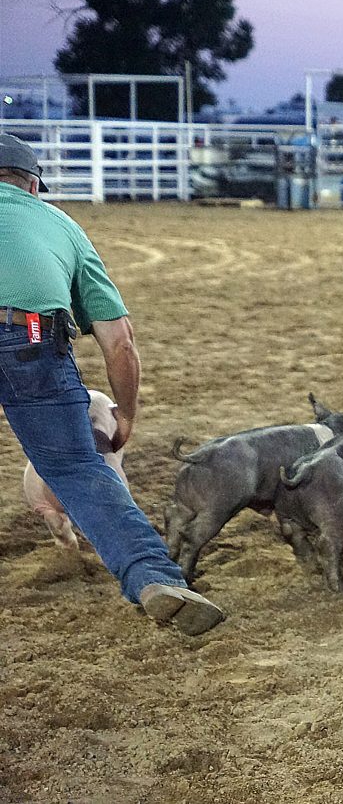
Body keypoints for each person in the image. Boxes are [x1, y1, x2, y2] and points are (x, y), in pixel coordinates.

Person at [0, 133, 223, 636]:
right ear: (33, 186)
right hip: (29, 335)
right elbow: (120, 342)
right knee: (78, 470)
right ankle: (152, 578)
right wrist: (126, 412)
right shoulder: (60, 224)